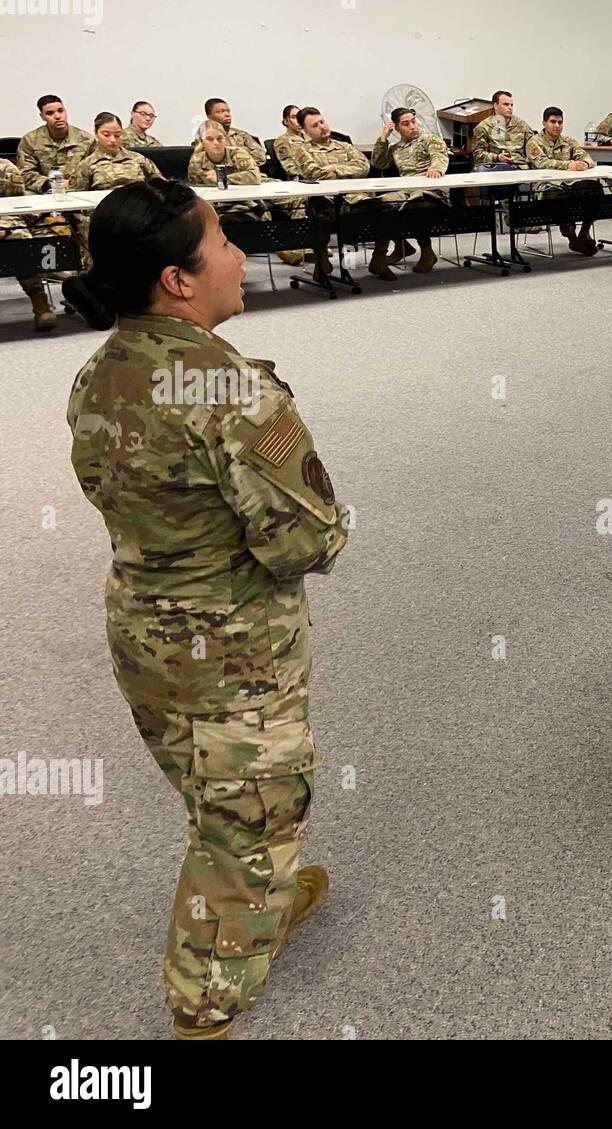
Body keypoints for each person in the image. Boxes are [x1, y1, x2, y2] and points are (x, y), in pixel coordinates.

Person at [63, 178, 347, 1039]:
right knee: (253, 811)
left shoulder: (100, 369)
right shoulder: (230, 391)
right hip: (233, 650)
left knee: (212, 786)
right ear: (177, 279)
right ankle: (203, 1006)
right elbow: (307, 539)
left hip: (143, 632)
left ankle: (256, 891)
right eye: (221, 242)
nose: (236, 257)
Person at [296, 106, 400, 281]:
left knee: (387, 209)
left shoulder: (344, 146)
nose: (322, 126)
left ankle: (379, 259)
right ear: (305, 130)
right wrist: (346, 170)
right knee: (322, 217)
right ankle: (322, 260)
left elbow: (364, 167)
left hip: (357, 198)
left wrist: (334, 168)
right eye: (315, 125)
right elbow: (313, 173)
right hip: (328, 201)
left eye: (322, 121)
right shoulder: (303, 151)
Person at [189, 120, 308, 266]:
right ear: (201, 142)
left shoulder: (238, 153)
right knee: (257, 210)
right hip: (227, 199)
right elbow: (198, 190)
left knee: (297, 201)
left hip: (259, 187)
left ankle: (302, 244)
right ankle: (283, 249)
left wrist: (223, 177)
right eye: (209, 139)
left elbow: (254, 176)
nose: (216, 143)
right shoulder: (197, 161)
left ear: (225, 139)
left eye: (220, 138)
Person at [372, 107, 452, 273]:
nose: (412, 127)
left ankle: (427, 252)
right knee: (381, 205)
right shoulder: (396, 148)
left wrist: (436, 169)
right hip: (406, 190)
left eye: (413, 122)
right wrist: (383, 138)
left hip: (430, 188)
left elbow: (439, 156)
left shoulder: (430, 139)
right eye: (406, 124)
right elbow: (378, 163)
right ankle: (399, 247)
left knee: (415, 205)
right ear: (397, 127)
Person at [525, 107, 600, 256]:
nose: (557, 125)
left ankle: (584, 233)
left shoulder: (568, 141)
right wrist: (568, 165)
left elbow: (587, 157)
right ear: (544, 123)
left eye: (560, 122)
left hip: (570, 183)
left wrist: (584, 164)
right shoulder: (534, 142)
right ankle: (572, 238)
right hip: (546, 186)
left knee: (594, 188)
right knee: (556, 195)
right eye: (552, 122)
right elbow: (542, 163)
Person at [0, 157, 63, 331]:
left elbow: (16, 201)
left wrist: (5, 228)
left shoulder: (5, 167)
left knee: (20, 244)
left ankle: (40, 305)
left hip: (6, 221)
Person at [17, 94, 94, 195]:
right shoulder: (31, 140)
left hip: (79, 190)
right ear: (42, 116)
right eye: (50, 113)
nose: (57, 116)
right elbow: (25, 173)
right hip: (45, 190)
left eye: (60, 111)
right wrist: (52, 184)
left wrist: (74, 184)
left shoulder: (86, 139)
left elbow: (95, 169)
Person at [68, 113, 162, 191]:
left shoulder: (138, 159)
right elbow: (76, 198)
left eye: (117, 135)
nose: (112, 140)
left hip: (138, 208)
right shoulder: (87, 165)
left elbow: (161, 185)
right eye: (106, 135)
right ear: (96, 134)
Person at [472, 90, 534, 171]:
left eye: (512, 105)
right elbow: (477, 155)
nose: (510, 108)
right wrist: (496, 157)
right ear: (495, 106)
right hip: (496, 169)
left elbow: (533, 147)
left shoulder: (521, 125)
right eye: (506, 104)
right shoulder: (484, 127)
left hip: (521, 169)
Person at [201, 98, 268, 167]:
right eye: (221, 112)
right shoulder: (207, 138)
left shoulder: (241, 134)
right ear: (209, 116)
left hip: (254, 174)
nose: (227, 114)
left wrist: (238, 157)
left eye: (228, 111)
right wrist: (245, 152)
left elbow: (261, 156)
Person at [273, 105, 308, 178]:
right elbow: (291, 169)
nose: (299, 121)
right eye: (294, 117)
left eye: (300, 117)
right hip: (300, 180)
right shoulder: (282, 141)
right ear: (285, 121)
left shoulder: (310, 137)